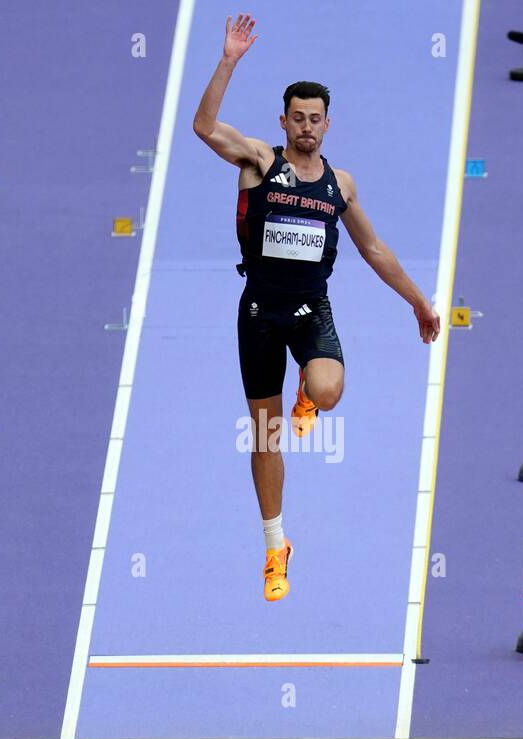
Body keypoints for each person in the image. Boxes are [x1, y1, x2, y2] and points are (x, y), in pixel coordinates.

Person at [193, 14, 441, 601]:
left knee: (328, 391)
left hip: (310, 310)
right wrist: (228, 60)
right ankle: (275, 546)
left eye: (315, 118)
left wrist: (418, 302)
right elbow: (204, 127)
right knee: (266, 436)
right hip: (259, 312)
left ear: (328, 124)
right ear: (283, 122)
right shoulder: (259, 161)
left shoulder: (340, 185)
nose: (306, 127)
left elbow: (373, 248)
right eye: (297, 118)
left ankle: (308, 391)